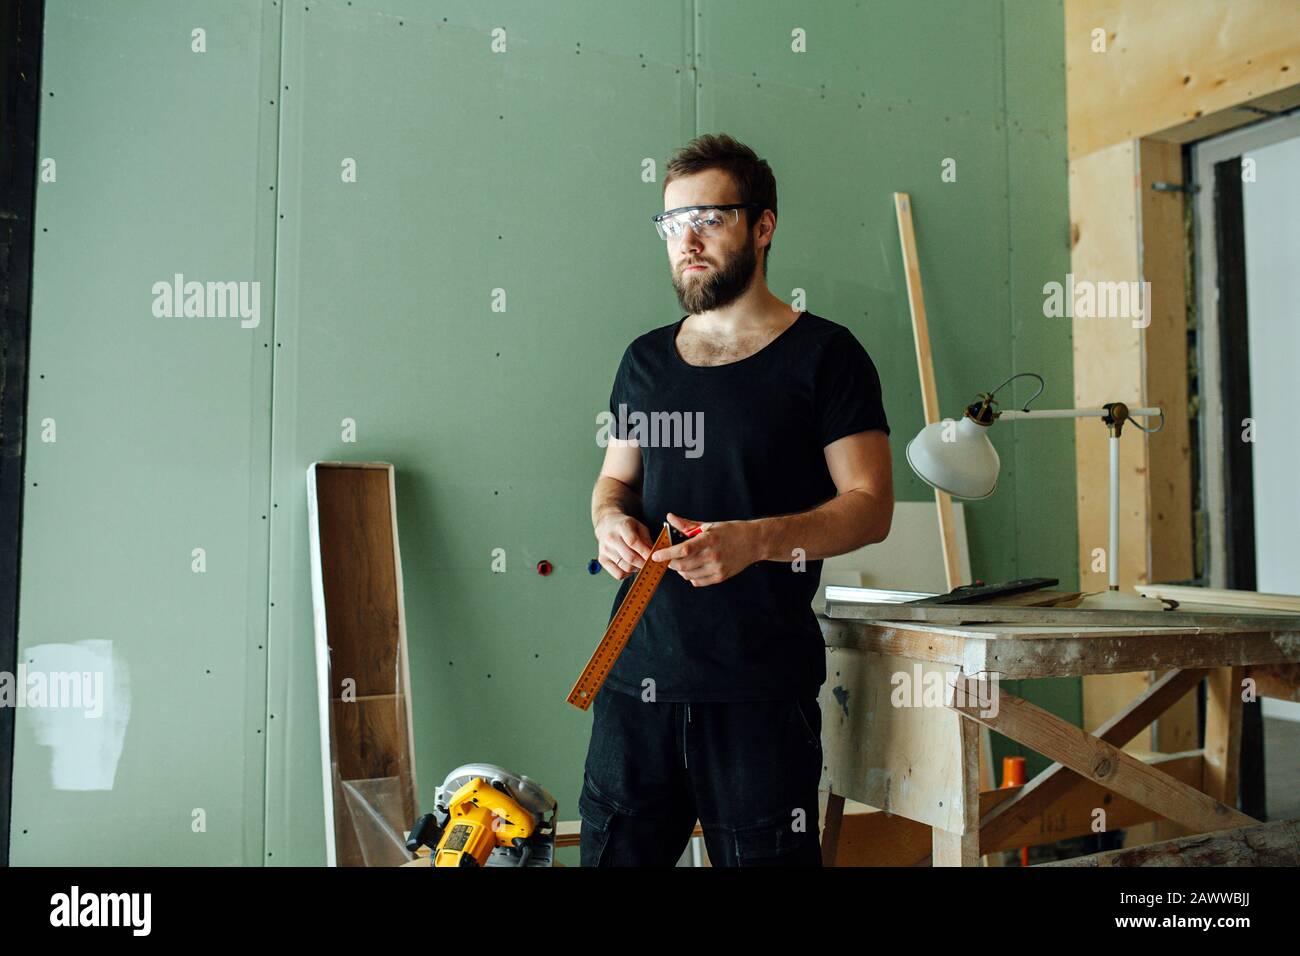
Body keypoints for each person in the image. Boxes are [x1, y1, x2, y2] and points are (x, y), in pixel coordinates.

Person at [582, 133, 894, 866]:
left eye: (709, 219)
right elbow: (615, 482)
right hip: (633, 677)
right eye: (671, 223)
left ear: (763, 226)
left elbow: (870, 503)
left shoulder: (826, 356)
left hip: (759, 689)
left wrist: (753, 540)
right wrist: (607, 522)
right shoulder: (646, 360)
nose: (685, 241)